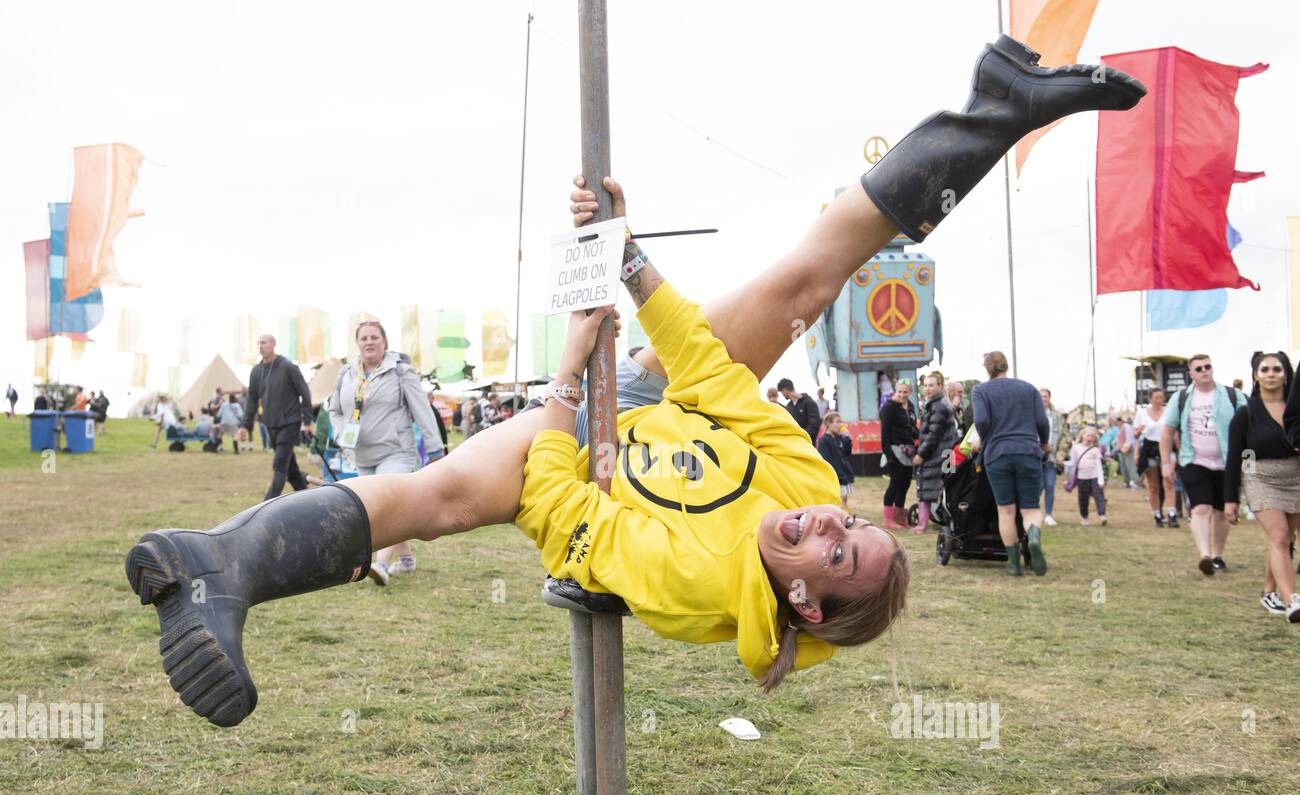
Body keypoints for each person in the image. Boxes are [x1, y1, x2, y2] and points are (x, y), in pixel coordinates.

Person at [125, 34, 1143, 727]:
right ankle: (993, 109)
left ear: (803, 602)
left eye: (837, 552)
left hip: (590, 464)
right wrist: (628, 253)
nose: (832, 524)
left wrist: (567, 380)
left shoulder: (699, 585)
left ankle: (226, 566)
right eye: (854, 526)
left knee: (436, 498)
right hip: (666, 403)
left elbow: (567, 518)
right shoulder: (804, 493)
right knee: (806, 277)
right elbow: (712, 371)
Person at [330, 320, 447, 584]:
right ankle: (406, 559)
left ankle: (380, 565)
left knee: (384, 507)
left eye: (374, 337)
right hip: (362, 454)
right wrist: (340, 434)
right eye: (363, 338)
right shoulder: (346, 374)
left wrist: (435, 449)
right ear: (357, 343)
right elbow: (335, 410)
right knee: (388, 507)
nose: (369, 342)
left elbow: (422, 410)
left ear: (385, 342)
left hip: (396, 451)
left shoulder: (400, 372)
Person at [1226, 352, 1300, 620]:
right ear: (1255, 376)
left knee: (1283, 540)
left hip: (1295, 478)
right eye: (1265, 369)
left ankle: (1270, 591)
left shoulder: (1297, 410)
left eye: (1277, 369)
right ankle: (1292, 600)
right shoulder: (1246, 414)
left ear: (1286, 374)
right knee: (1279, 536)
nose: (1271, 374)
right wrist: (1232, 498)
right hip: (1260, 478)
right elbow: (1237, 457)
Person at [1159, 354, 1243, 575]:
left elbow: (1250, 430)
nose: (1204, 371)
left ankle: (1217, 555)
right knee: (1201, 507)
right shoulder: (1181, 398)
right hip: (1193, 460)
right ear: (1191, 374)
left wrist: (1249, 466)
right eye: (1199, 368)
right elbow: (1167, 433)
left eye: (1207, 366)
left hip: (1227, 463)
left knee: (1220, 511)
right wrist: (1166, 464)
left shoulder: (1233, 396)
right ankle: (1204, 555)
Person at [972, 351, 1051, 575]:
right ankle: (1033, 535)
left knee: (1005, 511)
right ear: (1006, 366)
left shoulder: (981, 390)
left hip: (997, 454)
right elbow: (1041, 422)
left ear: (987, 368)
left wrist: (985, 437)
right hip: (1027, 451)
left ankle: (1014, 565)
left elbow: (981, 420)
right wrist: (1044, 443)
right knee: (1030, 509)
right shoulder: (1028, 389)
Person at [241, 334, 315, 500]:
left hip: (290, 422)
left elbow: (304, 392)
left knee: (280, 465)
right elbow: (252, 400)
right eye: (259, 343)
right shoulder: (256, 371)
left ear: (273, 345)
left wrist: (308, 420)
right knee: (291, 471)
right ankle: (309, 500)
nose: (261, 346)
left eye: (265, 343)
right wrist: (244, 425)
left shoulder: (288, 366)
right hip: (270, 424)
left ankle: (265, 507)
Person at [911, 371, 957, 534]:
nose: (928, 389)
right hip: (945, 453)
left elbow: (933, 434)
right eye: (926, 385)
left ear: (940, 386)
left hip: (938, 454)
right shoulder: (936, 403)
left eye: (932, 385)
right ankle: (941, 521)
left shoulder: (939, 406)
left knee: (929, 490)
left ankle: (922, 525)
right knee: (945, 489)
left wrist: (920, 454)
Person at [1135, 389, 1177, 528]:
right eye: (1156, 397)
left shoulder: (1169, 411)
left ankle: (1172, 514)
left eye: (1161, 397)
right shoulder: (1141, 413)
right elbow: (1135, 436)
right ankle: (1157, 514)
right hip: (1149, 448)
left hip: (1166, 446)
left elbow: (1174, 432)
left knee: (1169, 482)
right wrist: (1139, 431)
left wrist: (1180, 449)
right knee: (1153, 486)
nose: (1159, 400)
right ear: (1150, 398)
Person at [879, 380, 918, 530]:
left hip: (909, 450)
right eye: (899, 391)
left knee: (905, 484)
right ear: (896, 391)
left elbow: (912, 427)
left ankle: (899, 518)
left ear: (910, 392)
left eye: (905, 392)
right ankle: (888, 520)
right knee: (895, 484)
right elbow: (885, 433)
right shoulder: (889, 407)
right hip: (894, 450)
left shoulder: (911, 407)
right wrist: (888, 454)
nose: (902, 395)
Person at [1039, 388, 1070, 526]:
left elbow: (1065, 437)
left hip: (1051, 457)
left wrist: (1061, 454)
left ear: (1049, 398)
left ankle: (1049, 515)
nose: (1043, 399)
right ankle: (1032, 513)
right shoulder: (1031, 414)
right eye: (1040, 396)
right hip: (1035, 457)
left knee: (1050, 485)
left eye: (1045, 396)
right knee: (1037, 487)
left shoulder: (1057, 416)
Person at [1069, 426, 1107, 525]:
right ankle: (1084, 516)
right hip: (1082, 477)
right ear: (1083, 435)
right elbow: (1073, 462)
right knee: (1083, 498)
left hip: (1094, 476)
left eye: (1092, 436)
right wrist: (1063, 463)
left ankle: (1102, 515)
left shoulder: (1095, 449)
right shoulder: (1076, 448)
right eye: (1088, 435)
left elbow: (1099, 466)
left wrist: (1101, 480)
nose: (1090, 438)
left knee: (1099, 496)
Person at [817, 412, 855, 511]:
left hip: (844, 473)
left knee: (845, 497)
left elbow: (847, 453)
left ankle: (845, 512)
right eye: (837, 422)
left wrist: (847, 439)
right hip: (836, 476)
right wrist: (840, 475)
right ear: (829, 423)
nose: (840, 424)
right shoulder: (823, 440)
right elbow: (828, 460)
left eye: (840, 422)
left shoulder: (839, 437)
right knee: (839, 499)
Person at [777, 378, 821, 443]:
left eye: (782, 392)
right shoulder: (789, 406)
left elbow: (814, 424)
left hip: (808, 444)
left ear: (785, 390)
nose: (783, 394)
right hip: (795, 443)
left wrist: (803, 437)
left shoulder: (809, 402)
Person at [1115, 414, 1138, 488]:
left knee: (1130, 466)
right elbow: (1119, 441)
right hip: (1121, 450)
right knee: (1123, 466)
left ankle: (1135, 481)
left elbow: (1130, 438)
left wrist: (1127, 447)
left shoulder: (1126, 426)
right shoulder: (1119, 428)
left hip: (1128, 449)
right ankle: (1126, 482)